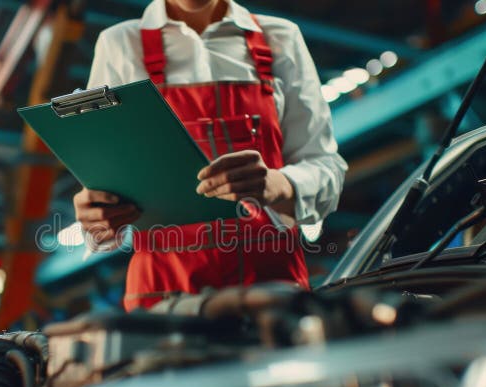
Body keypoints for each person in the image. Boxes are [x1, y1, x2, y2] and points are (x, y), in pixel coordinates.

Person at [74, 0, 347, 310]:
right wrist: (96, 216)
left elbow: (328, 170)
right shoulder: (120, 44)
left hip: (271, 296)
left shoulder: (280, 37)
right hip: (161, 302)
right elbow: (106, 183)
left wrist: (280, 184)